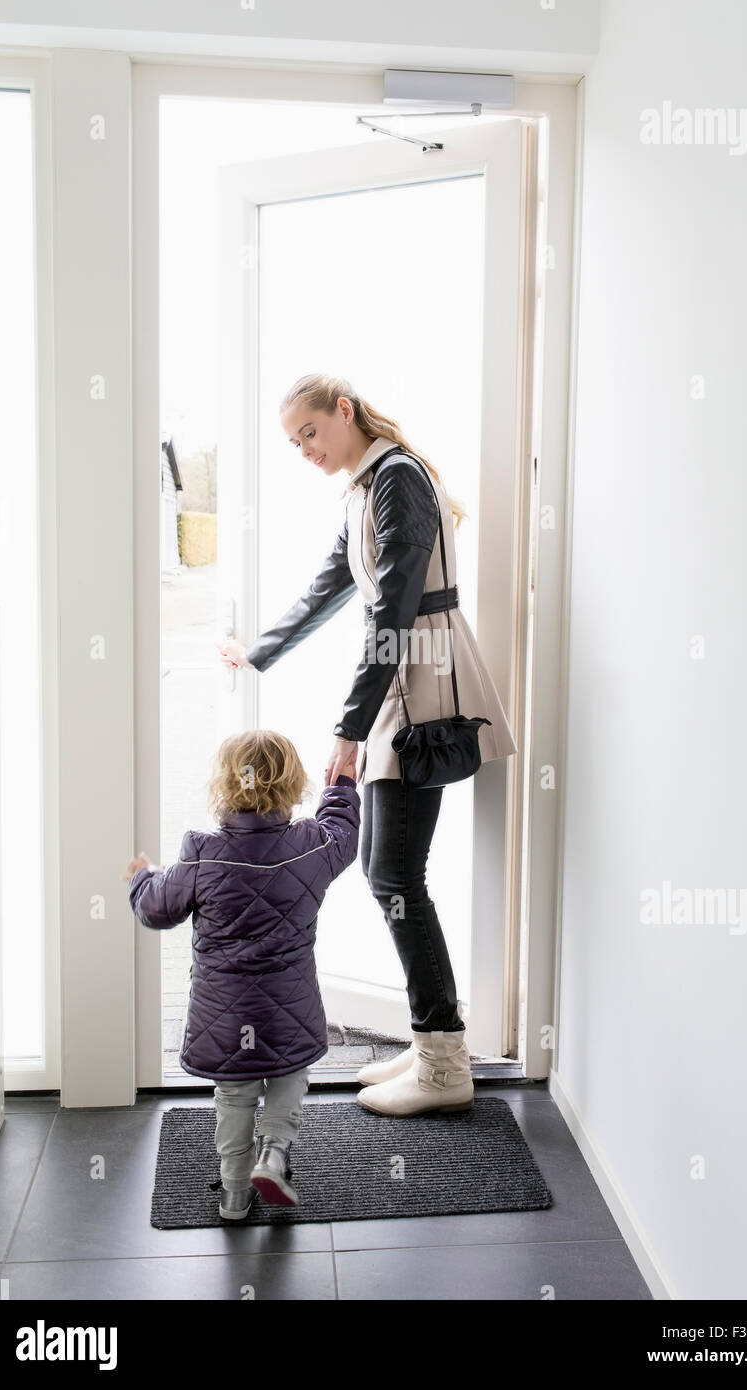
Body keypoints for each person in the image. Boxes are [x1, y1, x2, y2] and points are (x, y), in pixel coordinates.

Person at [218, 373, 518, 1118]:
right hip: (403, 677)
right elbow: (331, 585)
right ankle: (433, 1042)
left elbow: (391, 610)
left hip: (422, 686)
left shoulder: (399, 480)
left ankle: (446, 1063)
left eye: (309, 433)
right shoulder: (366, 487)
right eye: (293, 443)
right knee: (390, 876)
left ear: (342, 411)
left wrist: (348, 731)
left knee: (394, 878)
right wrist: (260, 651)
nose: (304, 451)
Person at [124, 729, 359, 1220]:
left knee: (234, 1095)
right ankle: (274, 1152)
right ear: (294, 785)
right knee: (291, 1074)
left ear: (225, 784)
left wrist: (143, 876)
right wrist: (341, 784)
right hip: (290, 1006)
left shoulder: (203, 853)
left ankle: (234, 1192)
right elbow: (343, 832)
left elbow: (155, 910)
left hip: (224, 1015)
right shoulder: (312, 847)